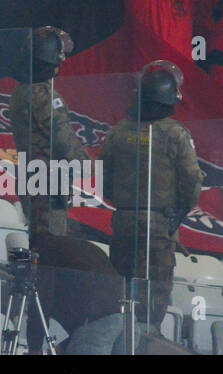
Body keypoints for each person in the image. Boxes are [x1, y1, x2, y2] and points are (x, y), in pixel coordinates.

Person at [99, 61, 203, 328]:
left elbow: (106, 180)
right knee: (154, 298)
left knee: (119, 293)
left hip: (123, 221)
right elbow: (192, 181)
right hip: (158, 226)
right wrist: (179, 212)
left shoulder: (118, 132)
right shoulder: (176, 135)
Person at [7, 26, 88, 236]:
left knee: (40, 244)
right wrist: (86, 165)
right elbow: (63, 140)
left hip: (33, 180)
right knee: (52, 249)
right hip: (48, 184)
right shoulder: (43, 95)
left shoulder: (21, 91)